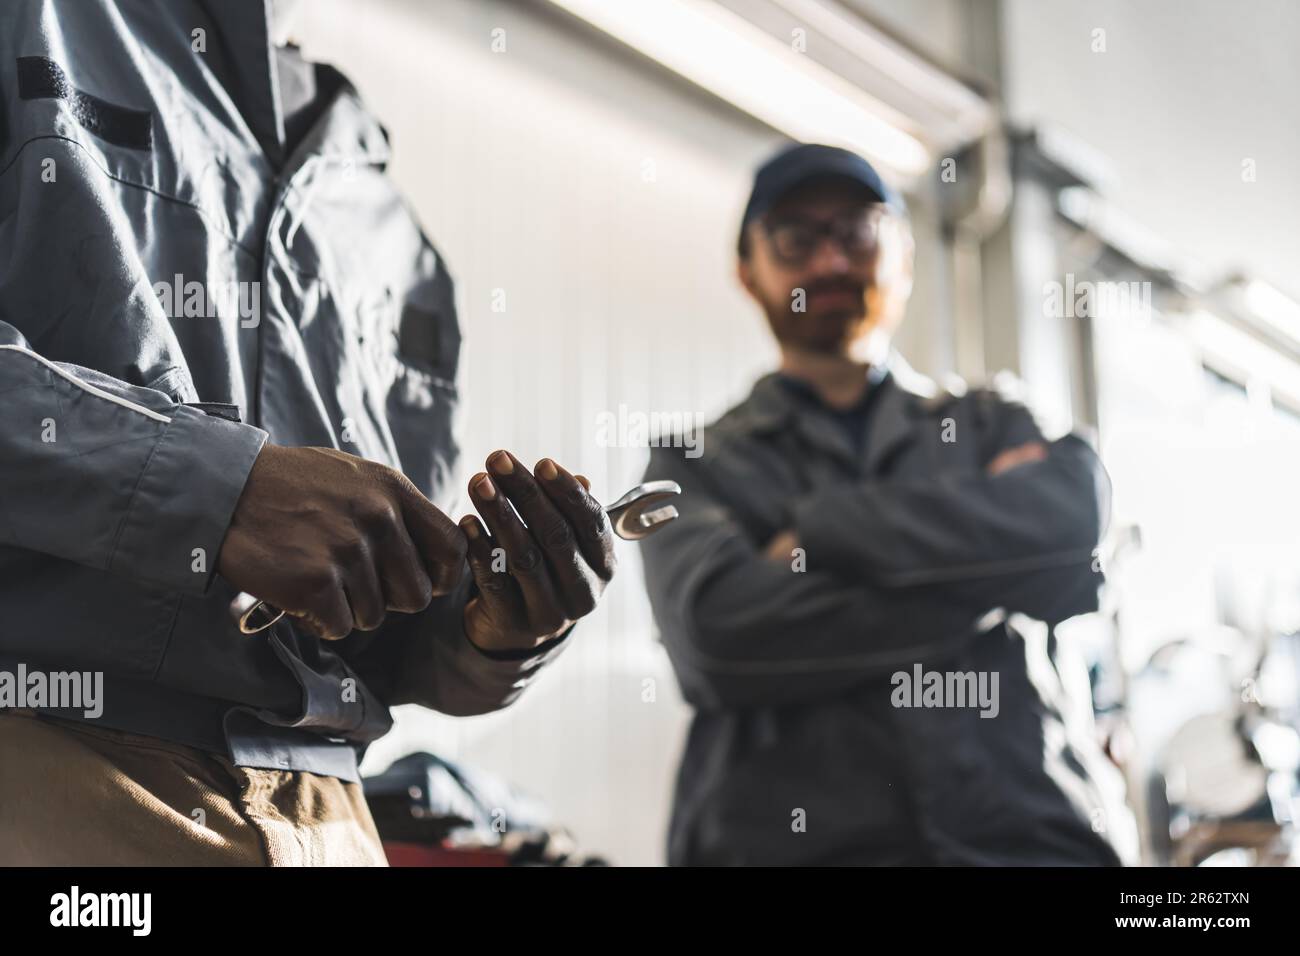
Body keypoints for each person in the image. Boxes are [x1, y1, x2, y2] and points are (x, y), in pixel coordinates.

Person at [0, 0, 615, 865]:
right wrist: (218, 492)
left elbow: (375, 628)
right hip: (49, 773)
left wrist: (494, 635)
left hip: (334, 816)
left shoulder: (396, 236)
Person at [640, 142, 1135, 866]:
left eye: (856, 232)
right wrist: (994, 575)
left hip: (1031, 842)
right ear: (748, 272)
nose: (831, 262)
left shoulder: (992, 419)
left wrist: (819, 530)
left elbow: (1073, 527)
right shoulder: (694, 462)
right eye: (795, 238)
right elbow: (720, 638)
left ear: (902, 257)